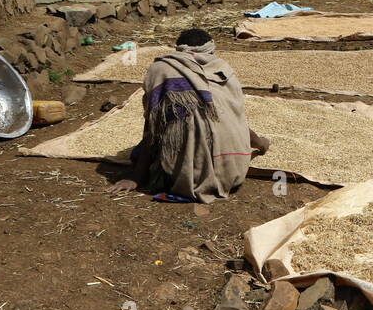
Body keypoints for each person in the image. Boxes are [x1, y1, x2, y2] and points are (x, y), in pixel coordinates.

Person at [107, 29, 269, 202]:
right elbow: (234, 120)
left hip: (184, 179)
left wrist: (136, 177)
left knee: (146, 144)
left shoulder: (162, 70)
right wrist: (261, 144)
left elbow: (153, 129)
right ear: (211, 50)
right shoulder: (224, 70)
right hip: (234, 174)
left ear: (178, 50)